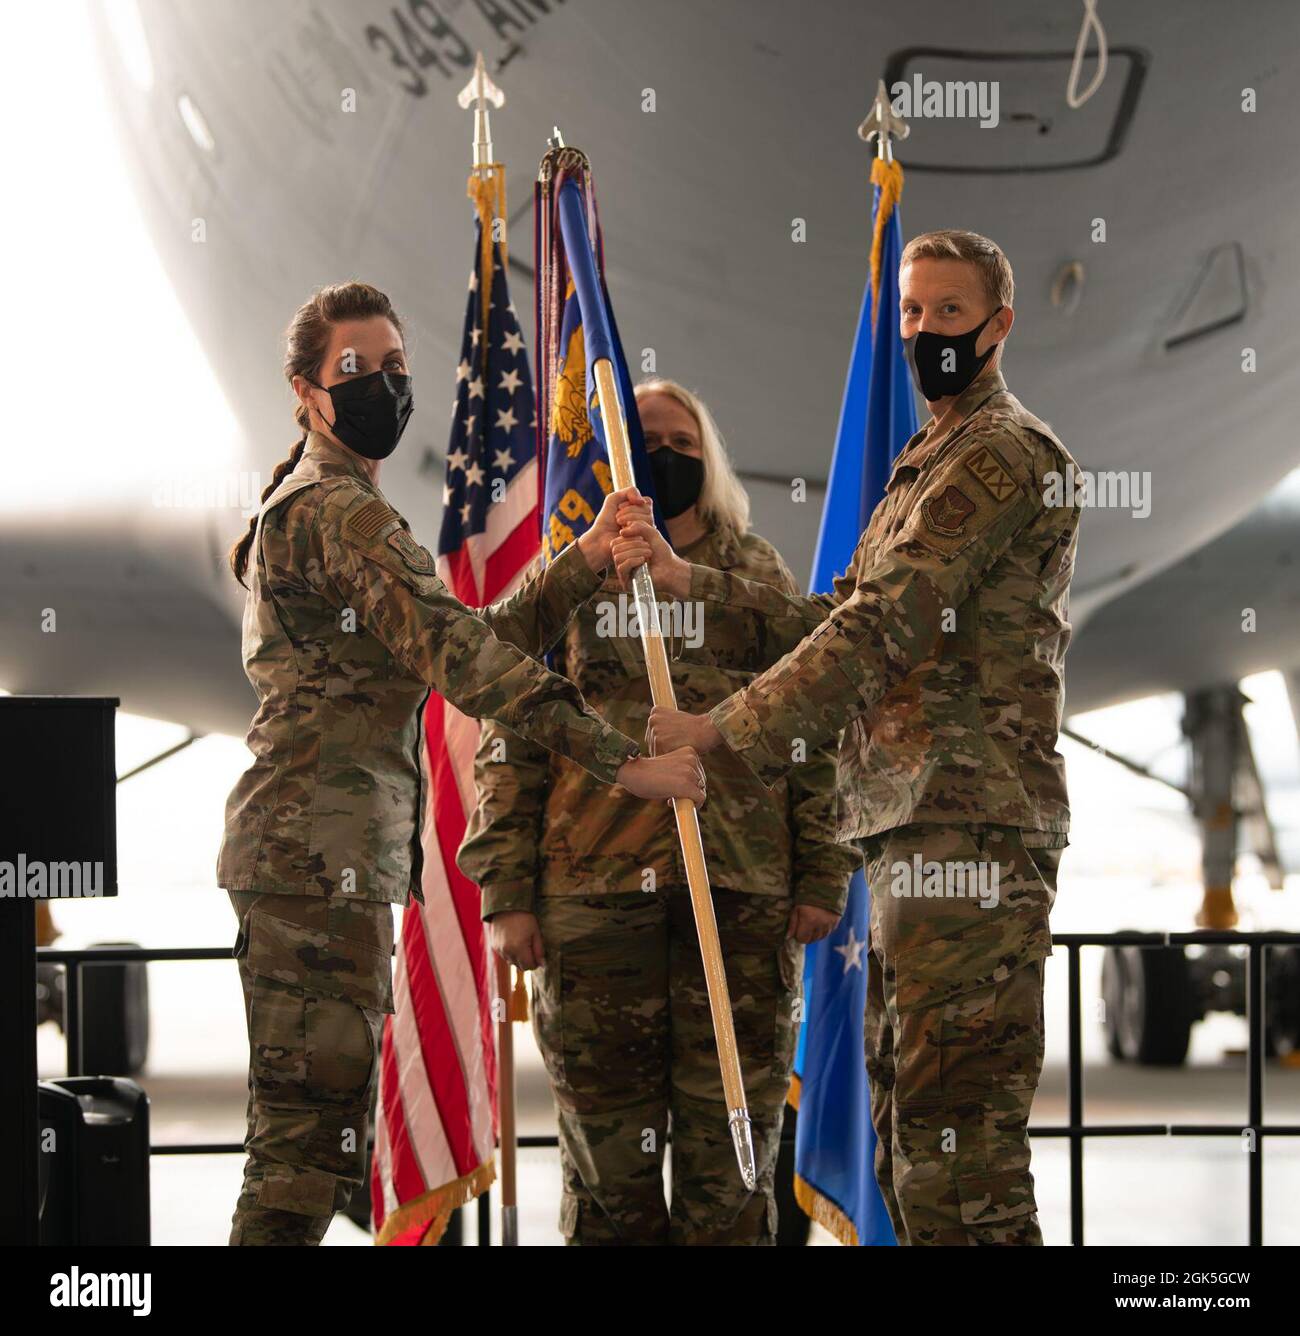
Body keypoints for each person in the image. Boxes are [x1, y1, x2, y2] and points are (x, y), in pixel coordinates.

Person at [614, 231, 1082, 1246]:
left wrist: (719, 736)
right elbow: (839, 609)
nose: (920, 333)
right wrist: (693, 582)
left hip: (970, 830)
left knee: (962, 1151)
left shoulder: (998, 455)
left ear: (998, 326)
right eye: (909, 314)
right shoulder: (927, 460)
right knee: (909, 1136)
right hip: (913, 828)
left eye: (947, 314)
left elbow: (882, 625)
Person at [216, 281, 705, 1246]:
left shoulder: (345, 507)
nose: (383, 386)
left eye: (397, 367)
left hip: (323, 856)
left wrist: (583, 562)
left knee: (317, 1138)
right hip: (314, 858)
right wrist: (625, 766)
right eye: (356, 369)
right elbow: (466, 663)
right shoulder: (336, 513)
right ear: (307, 391)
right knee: (303, 1149)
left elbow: (455, 640)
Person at [458, 378, 857, 1245]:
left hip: (740, 895)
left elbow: (815, 725)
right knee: (609, 1171)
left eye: (684, 441)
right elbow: (512, 732)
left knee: (733, 1165)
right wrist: (508, 891)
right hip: (592, 898)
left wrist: (824, 870)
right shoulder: (571, 575)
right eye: (648, 440)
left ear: (707, 458)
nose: (668, 455)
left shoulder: (751, 576)